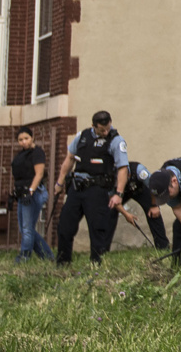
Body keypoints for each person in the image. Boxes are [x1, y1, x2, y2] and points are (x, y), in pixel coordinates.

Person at [52, 111, 128, 265]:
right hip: (77, 188)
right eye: (101, 130)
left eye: (107, 128)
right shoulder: (82, 136)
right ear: (93, 126)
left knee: (98, 229)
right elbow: (69, 158)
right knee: (65, 226)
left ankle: (96, 264)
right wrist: (60, 183)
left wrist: (118, 193)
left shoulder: (116, 141)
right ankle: (63, 262)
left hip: (98, 190)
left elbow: (122, 168)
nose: (105, 132)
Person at [11, 129, 53, 262]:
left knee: (27, 228)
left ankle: (24, 256)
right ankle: (47, 256)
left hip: (33, 193)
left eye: (26, 138)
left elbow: (39, 174)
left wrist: (30, 191)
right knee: (25, 228)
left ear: (33, 137)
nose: (24, 142)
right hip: (22, 193)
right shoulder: (20, 155)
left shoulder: (37, 153)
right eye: (20, 140)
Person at [119, 162, 170, 250]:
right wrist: (125, 214)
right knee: (108, 211)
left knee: (154, 213)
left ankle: (163, 246)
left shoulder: (140, 171)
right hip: (122, 191)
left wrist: (155, 205)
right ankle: (102, 250)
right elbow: (113, 201)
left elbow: (153, 187)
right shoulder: (112, 175)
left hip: (141, 189)